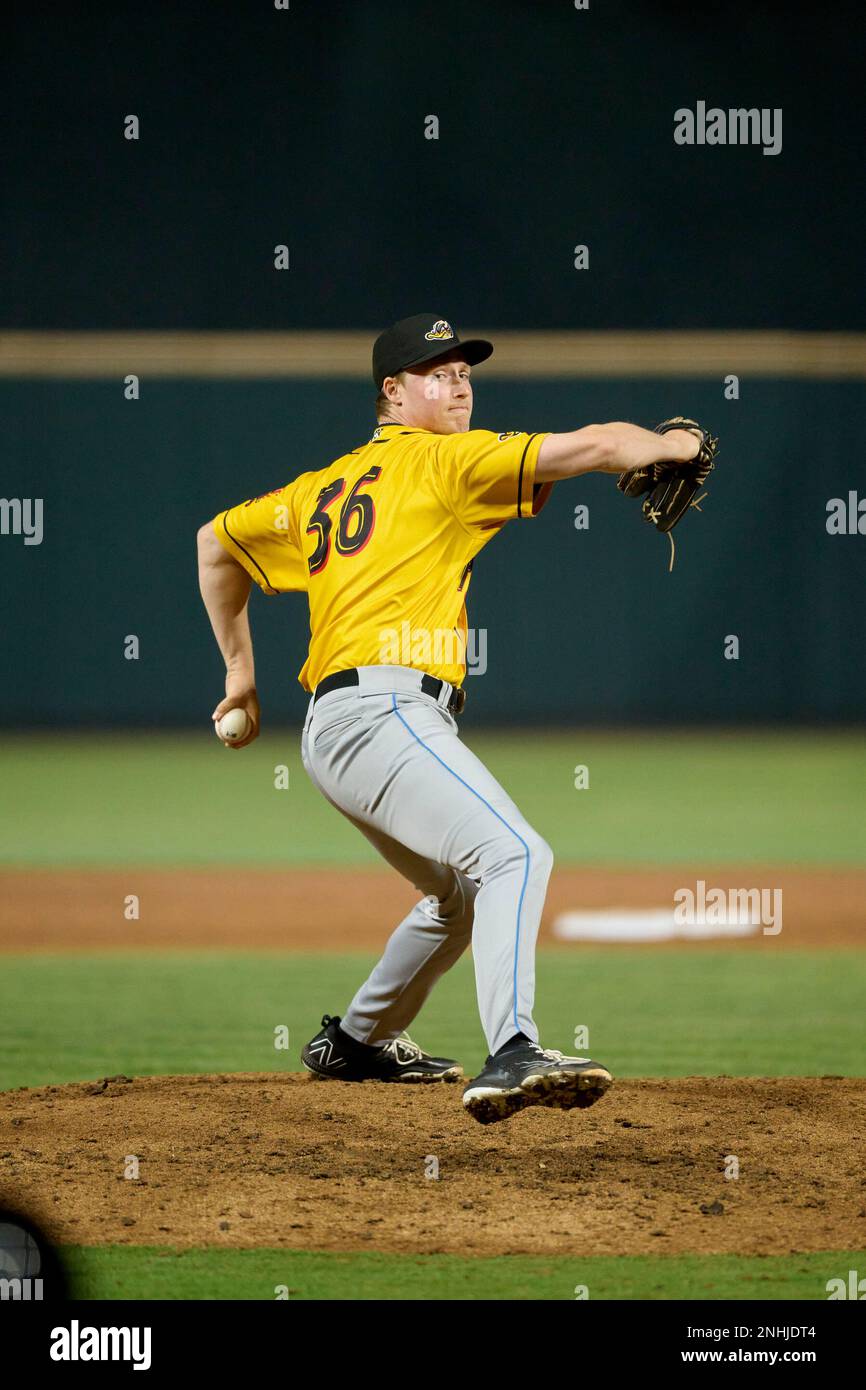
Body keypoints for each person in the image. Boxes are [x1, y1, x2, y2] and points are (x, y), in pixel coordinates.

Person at [197, 313, 703, 1125]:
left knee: (457, 898)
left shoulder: (318, 489)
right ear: (392, 393)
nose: (460, 381)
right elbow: (598, 445)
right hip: (385, 714)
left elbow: (215, 543)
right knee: (515, 854)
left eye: (466, 369)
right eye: (439, 371)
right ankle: (515, 1050)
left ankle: (360, 1040)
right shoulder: (445, 459)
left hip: (339, 728)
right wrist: (673, 442)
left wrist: (239, 677)